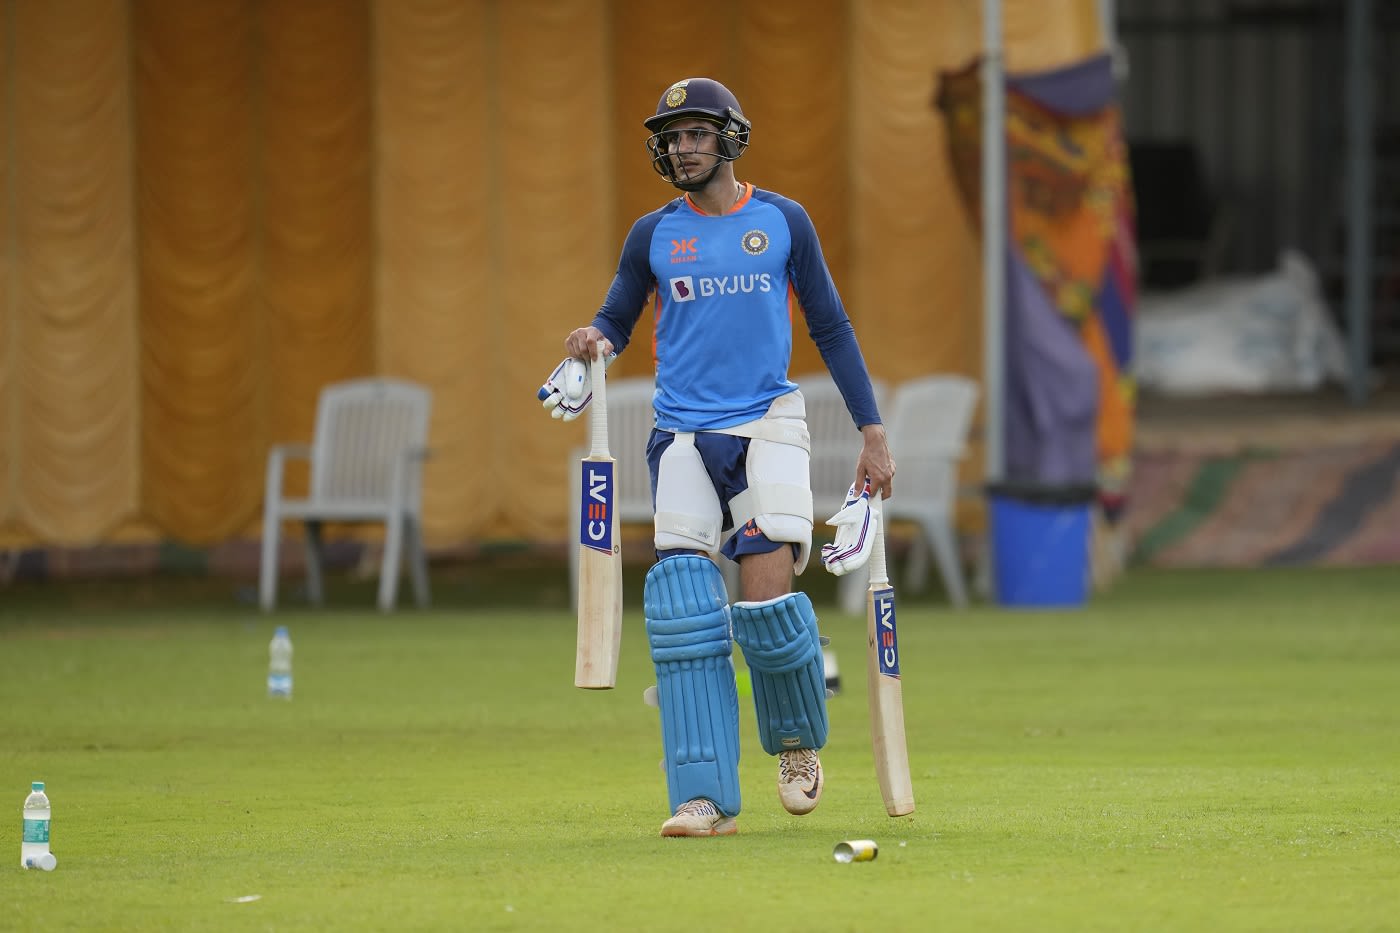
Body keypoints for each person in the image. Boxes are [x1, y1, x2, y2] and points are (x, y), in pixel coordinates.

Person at [539, 77, 894, 838]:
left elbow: (831, 327)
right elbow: (616, 317)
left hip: (766, 424)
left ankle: (796, 745)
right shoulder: (654, 233)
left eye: (696, 133)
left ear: (730, 138)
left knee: (764, 607)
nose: (683, 147)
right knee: (685, 616)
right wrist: (590, 342)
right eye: (672, 137)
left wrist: (872, 431)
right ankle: (704, 796)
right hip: (682, 436)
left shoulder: (782, 220)